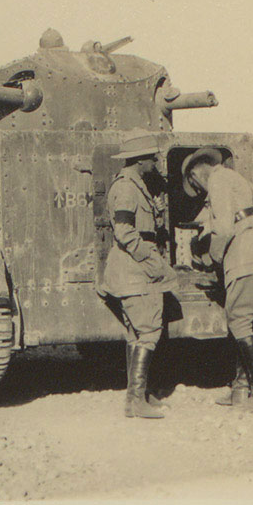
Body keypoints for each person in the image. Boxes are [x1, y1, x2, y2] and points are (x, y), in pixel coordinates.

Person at [183, 148, 253, 412]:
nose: (199, 190)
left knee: (238, 321)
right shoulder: (236, 179)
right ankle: (240, 389)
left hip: (244, 254)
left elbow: (223, 227)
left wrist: (211, 260)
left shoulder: (217, 180)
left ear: (196, 173)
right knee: (246, 320)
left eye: (194, 185)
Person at [97, 132, 175, 419]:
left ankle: (137, 396)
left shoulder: (134, 185)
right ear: (141, 160)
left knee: (136, 333)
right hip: (135, 268)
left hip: (130, 267)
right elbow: (124, 231)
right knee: (150, 332)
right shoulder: (128, 188)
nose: (156, 162)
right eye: (152, 158)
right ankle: (135, 401)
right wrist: (150, 259)